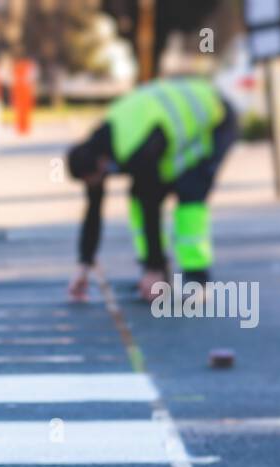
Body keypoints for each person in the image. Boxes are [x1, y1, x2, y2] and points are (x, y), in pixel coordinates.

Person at [65, 76, 238, 303]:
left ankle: (198, 281)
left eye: (92, 180)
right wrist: (83, 264)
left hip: (214, 119)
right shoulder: (100, 148)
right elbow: (94, 210)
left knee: (189, 194)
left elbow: (151, 204)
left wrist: (153, 271)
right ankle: (157, 272)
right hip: (171, 131)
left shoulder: (137, 147)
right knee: (140, 196)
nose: (95, 186)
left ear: (100, 165)